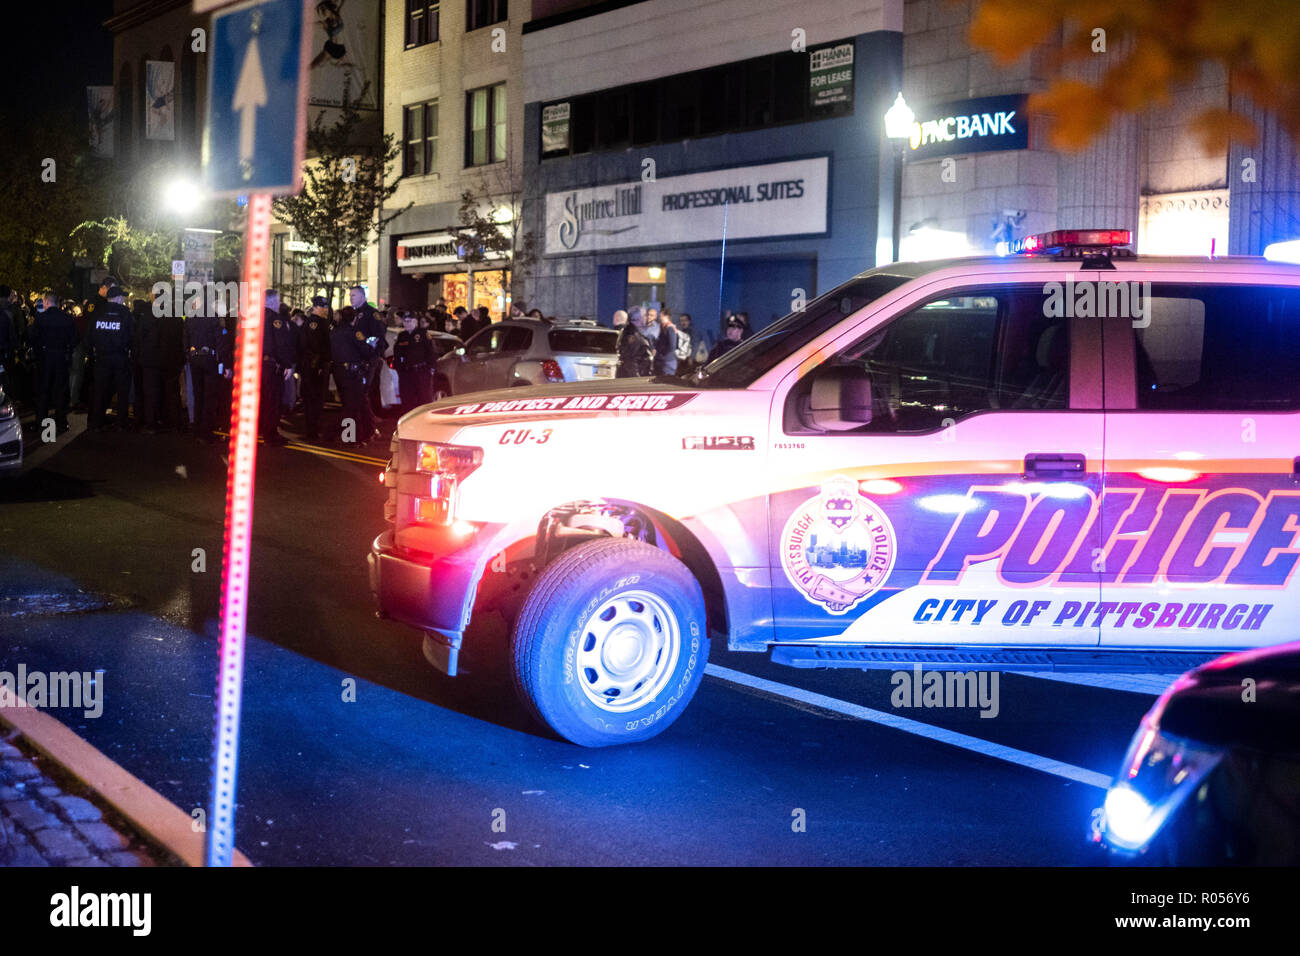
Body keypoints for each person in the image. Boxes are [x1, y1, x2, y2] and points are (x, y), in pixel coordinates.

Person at [185, 293, 233, 443]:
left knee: (198, 395)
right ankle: (206, 432)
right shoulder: (214, 319)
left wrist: (188, 355)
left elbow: (185, 339)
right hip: (210, 360)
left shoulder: (191, 319)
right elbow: (222, 343)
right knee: (209, 397)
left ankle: (197, 428)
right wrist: (226, 365)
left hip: (194, 359)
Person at [330, 305, 379, 445]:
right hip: (352, 373)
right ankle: (346, 437)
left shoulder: (334, 332)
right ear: (354, 318)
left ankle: (365, 432)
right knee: (352, 407)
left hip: (339, 371)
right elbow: (366, 351)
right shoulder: (354, 332)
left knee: (350, 404)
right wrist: (372, 345)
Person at [88, 286, 133, 430]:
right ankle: (121, 422)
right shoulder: (125, 312)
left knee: (100, 389)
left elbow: (90, 334)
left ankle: (96, 421)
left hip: (101, 356)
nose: (124, 300)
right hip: (120, 356)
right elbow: (132, 335)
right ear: (118, 297)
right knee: (122, 390)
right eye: (123, 297)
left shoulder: (98, 311)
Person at [30, 292, 77, 432]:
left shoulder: (40, 318)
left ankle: (41, 423)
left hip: (45, 357)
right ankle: (61, 422)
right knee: (61, 391)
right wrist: (67, 350)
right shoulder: (68, 319)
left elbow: (33, 338)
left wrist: (38, 353)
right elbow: (75, 339)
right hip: (61, 357)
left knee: (43, 391)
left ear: (46, 302)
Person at [260, 289, 297, 445]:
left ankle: (261, 429)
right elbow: (281, 344)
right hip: (271, 365)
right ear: (273, 301)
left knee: (261, 400)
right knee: (273, 401)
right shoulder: (276, 319)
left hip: (256, 364)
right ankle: (271, 435)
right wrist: (287, 364)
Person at [298, 296, 332, 441]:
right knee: (314, 399)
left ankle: (314, 428)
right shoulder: (314, 323)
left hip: (316, 366)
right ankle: (312, 431)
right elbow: (314, 347)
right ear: (316, 307)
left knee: (317, 399)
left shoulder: (320, 322)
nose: (326, 309)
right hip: (314, 367)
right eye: (323, 307)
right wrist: (318, 365)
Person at [348, 285, 386, 415]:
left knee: (366, 390)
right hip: (357, 358)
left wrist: (370, 350)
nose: (350, 298)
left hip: (368, 358)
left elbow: (378, 336)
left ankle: (370, 419)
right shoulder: (354, 314)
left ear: (362, 296)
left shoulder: (371, 313)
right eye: (350, 295)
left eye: (353, 295)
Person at [392, 310, 435, 412]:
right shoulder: (401, 336)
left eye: (409, 321)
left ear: (415, 322)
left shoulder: (423, 334)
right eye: (405, 321)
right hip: (407, 373)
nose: (406, 323)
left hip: (421, 371)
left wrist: (431, 369)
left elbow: (431, 353)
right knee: (407, 401)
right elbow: (397, 354)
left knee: (424, 400)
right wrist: (400, 370)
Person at [615, 307, 653, 378]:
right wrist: (636, 380)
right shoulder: (632, 336)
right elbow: (630, 361)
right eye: (645, 315)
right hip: (631, 381)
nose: (647, 317)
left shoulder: (631, 333)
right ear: (637, 319)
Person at [652, 308, 679, 376]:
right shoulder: (663, 328)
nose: (659, 317)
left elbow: (672, 346)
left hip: (668, 362)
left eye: (661, 316)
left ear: (666, 316)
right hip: (663, 361)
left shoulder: (670, 328)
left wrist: (662, 355)